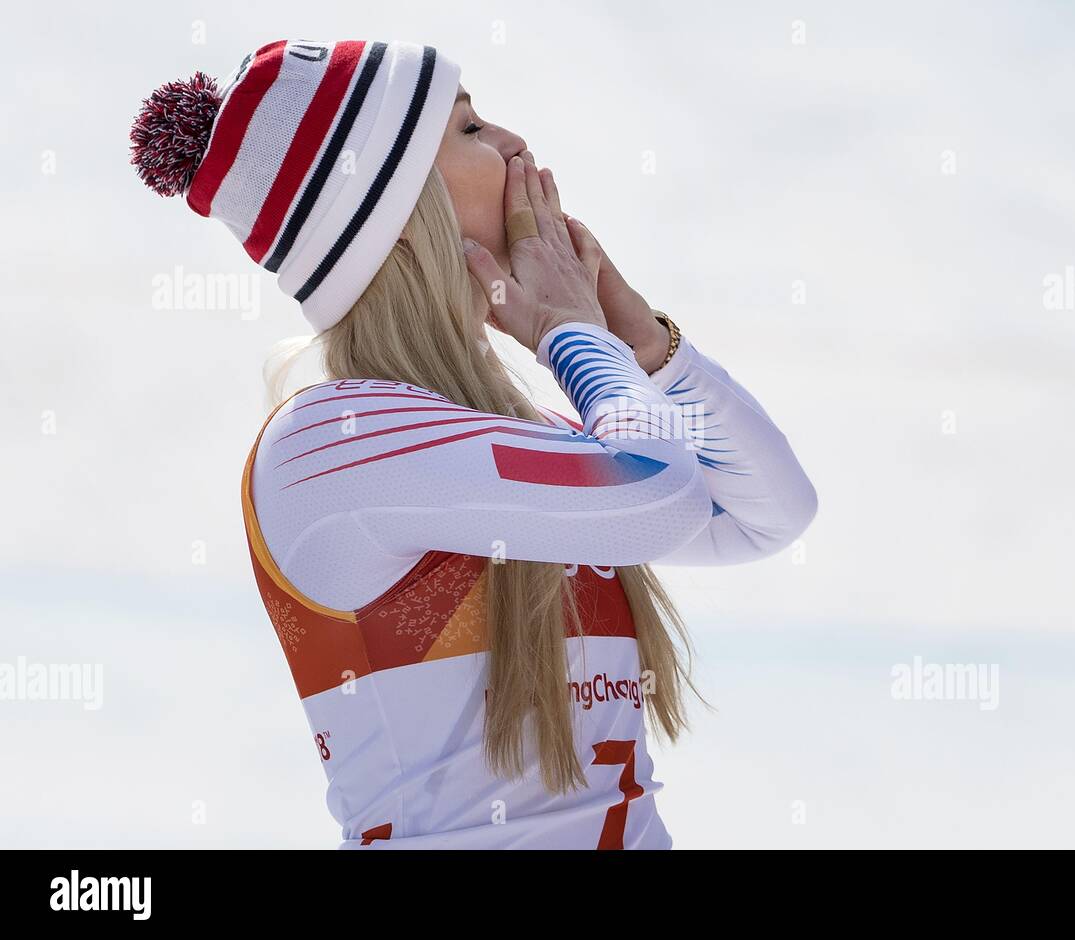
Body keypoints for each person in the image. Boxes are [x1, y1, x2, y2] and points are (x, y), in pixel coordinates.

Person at [129, 37, 818, 849]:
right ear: (398, 210)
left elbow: (768, 512)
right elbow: (656, 494)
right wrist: (572, 337)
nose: (514, 143)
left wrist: (644, 349)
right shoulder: (328, 441)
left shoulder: (524, 447)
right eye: (470, 128)